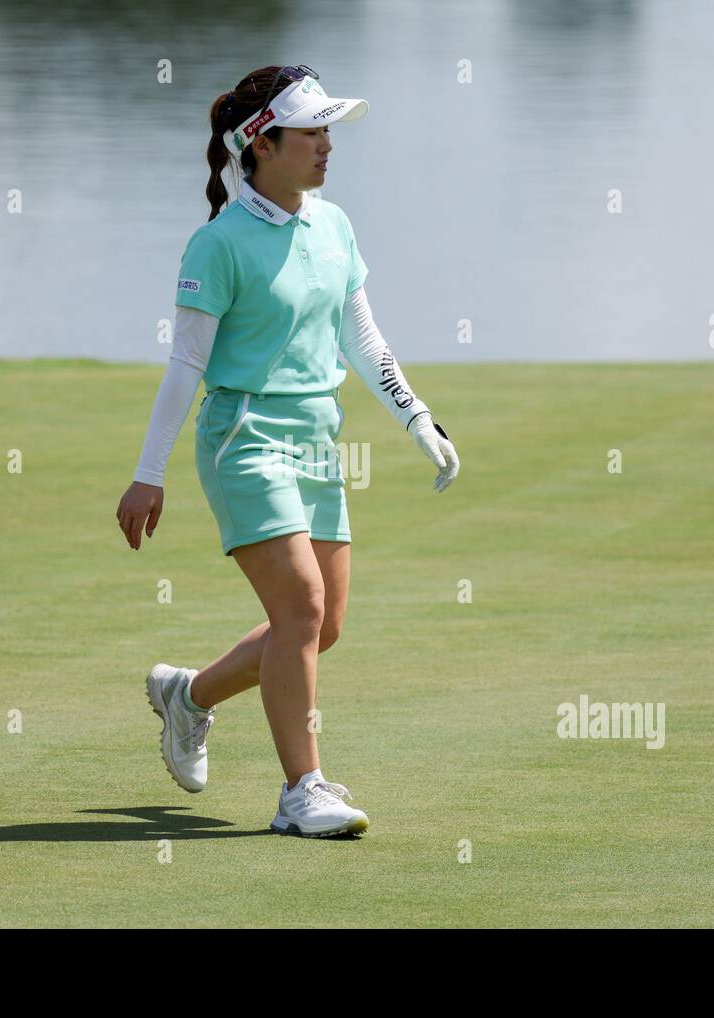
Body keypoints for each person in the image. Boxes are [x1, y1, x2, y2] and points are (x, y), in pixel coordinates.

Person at [115, 65, 460, 838]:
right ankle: (303, 789)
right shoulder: (218, 244)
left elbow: (361, 338)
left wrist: (419, 421)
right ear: (262, 143)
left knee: (320, 625)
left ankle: (189, 696)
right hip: (244, 439)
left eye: (327, 132)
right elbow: (186, 367)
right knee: (300, 606)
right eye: (311, 132)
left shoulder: (333, 225)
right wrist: (148, 475)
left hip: (316, 439)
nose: (326, 146)